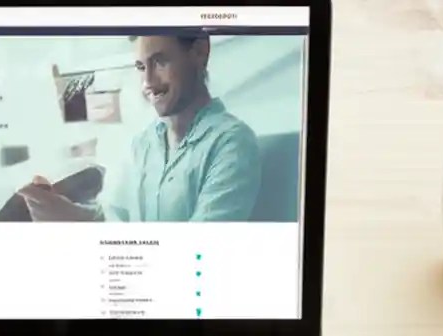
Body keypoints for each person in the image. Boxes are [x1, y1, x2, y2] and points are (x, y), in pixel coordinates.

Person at [17, 33, 262, 222]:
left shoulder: (231, 144)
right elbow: (114, 220)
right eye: (141, 67)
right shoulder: (142, 143)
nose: (147, 82)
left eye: (160, 62)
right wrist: (65, 214)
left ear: (199, 51)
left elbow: (200, 252)